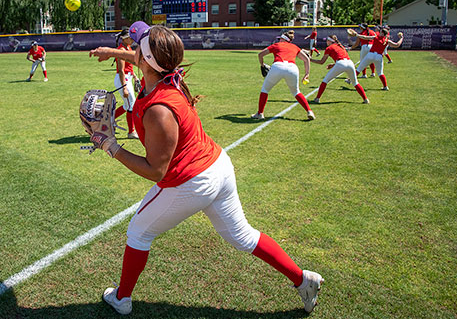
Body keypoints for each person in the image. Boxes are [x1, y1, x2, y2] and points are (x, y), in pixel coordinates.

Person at [87, 25, 324, 315]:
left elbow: (156, 171)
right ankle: (303, 279)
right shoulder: (162, 72)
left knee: (138, 232)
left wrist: (110, 146)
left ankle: (121, 299)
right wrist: (108, 52)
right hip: (216, 165)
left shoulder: (158, 109)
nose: (134, 50)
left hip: (192, 181)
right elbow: (139, 58)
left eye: (138, 47)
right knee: (243, 237)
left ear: (147, 59)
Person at [252, 30, 315, 121]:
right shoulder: (294, 47)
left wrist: (262, 65)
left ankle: (260, 113)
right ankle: (309, 111)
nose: (279, 40)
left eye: (280, 39)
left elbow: (260, 54)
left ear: (283, 39)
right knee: (296, 92)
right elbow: (306, 60)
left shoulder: (277, 45)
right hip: (292, 68)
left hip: (278, 66)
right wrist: (307, 74)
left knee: (265, 90)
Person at [310, 35, 369, 104]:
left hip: (341, 64)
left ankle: (317, 98)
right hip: (350, 63)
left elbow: (321, 62)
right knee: (355, 83)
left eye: (327, 40)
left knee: (325, 80)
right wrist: (333, 65)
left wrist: (310, 60)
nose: (326, 42)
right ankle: (365, 99)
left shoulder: (329, 48)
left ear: (330, 41)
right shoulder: (340, 46)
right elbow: (343, 58)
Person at [113, 29, 138, 139]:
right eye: (130, 37)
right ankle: (131, 132)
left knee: (128, 104)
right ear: (124, 38)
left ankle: (109, 120)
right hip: (122, 79)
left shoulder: (128, 48)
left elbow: (129, 67)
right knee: (131, 104)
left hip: (128, 78)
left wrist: (135, 76)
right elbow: (121, 70)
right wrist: (124, 88)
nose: (132, 39)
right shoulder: (121, 50)